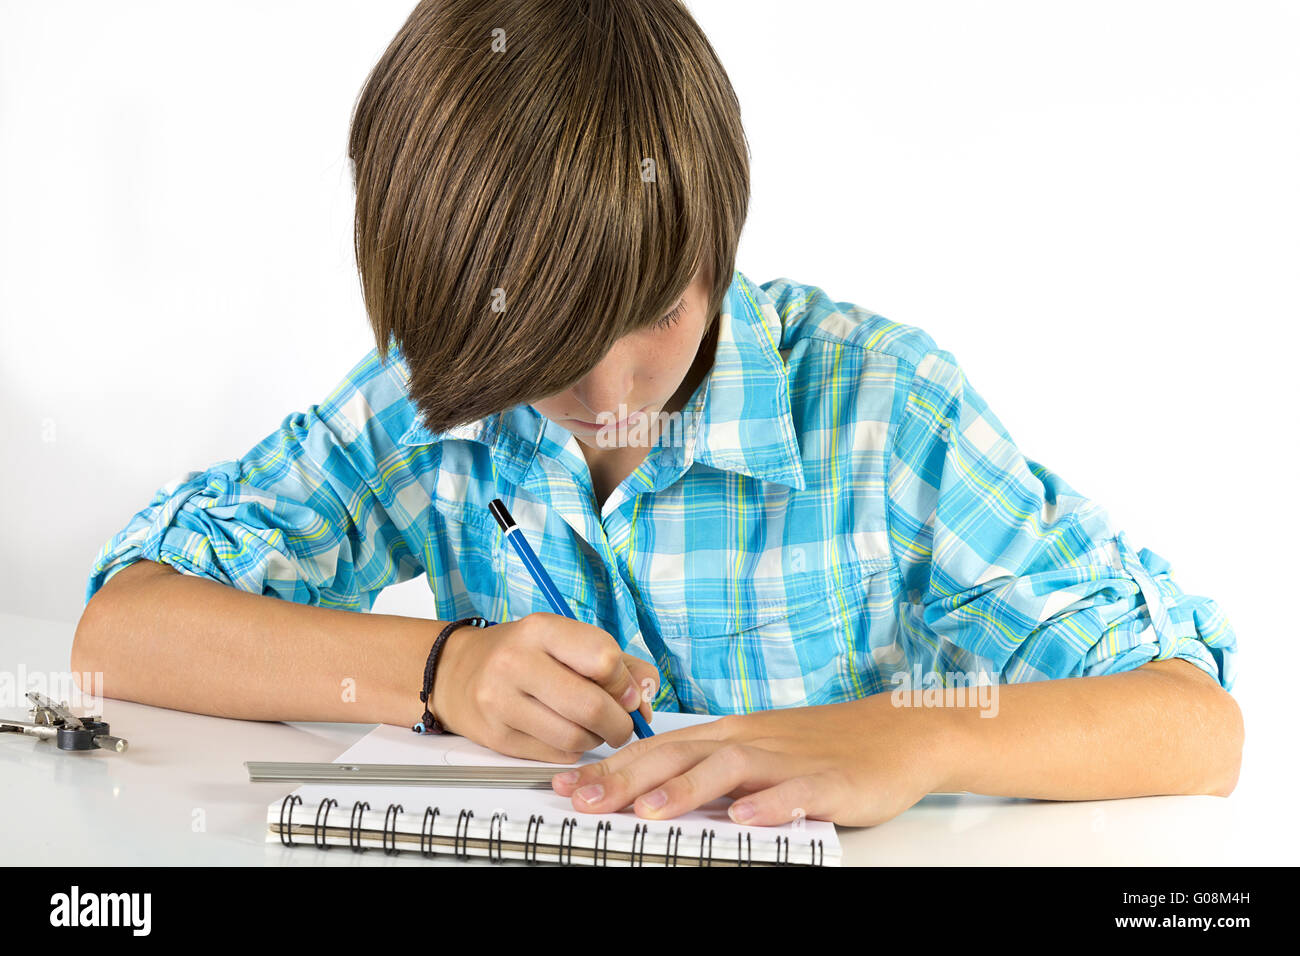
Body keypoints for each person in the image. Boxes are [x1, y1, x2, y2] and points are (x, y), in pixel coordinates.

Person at [74, 0, 1241, 828]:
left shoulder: (883, 411)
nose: (606, 402)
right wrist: (440, 668)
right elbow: (120, 631)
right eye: (544, 359)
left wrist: (916, 736)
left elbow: (1192, 722)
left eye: (654, 321)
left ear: (713, 241)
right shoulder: (434, 400)